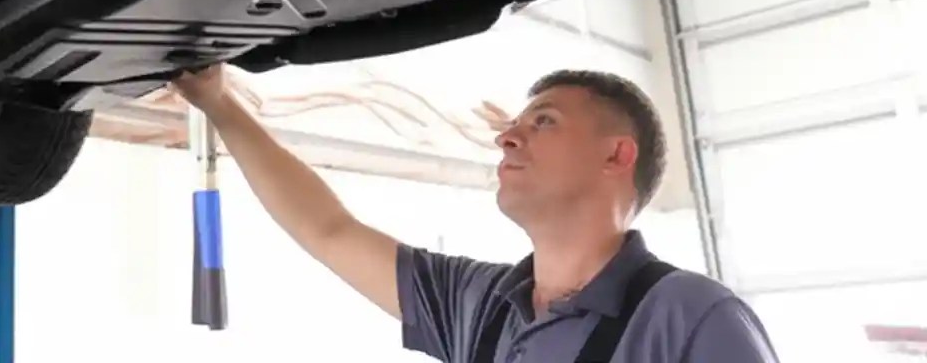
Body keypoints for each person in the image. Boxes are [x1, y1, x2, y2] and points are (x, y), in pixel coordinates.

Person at [172, 65, 778, 363]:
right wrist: (219, 104)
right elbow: (328, 230)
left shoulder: (690, 317)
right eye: (513, 126)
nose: (507, 139)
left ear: (616, 155)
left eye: (542, 122)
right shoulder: (479, 303)